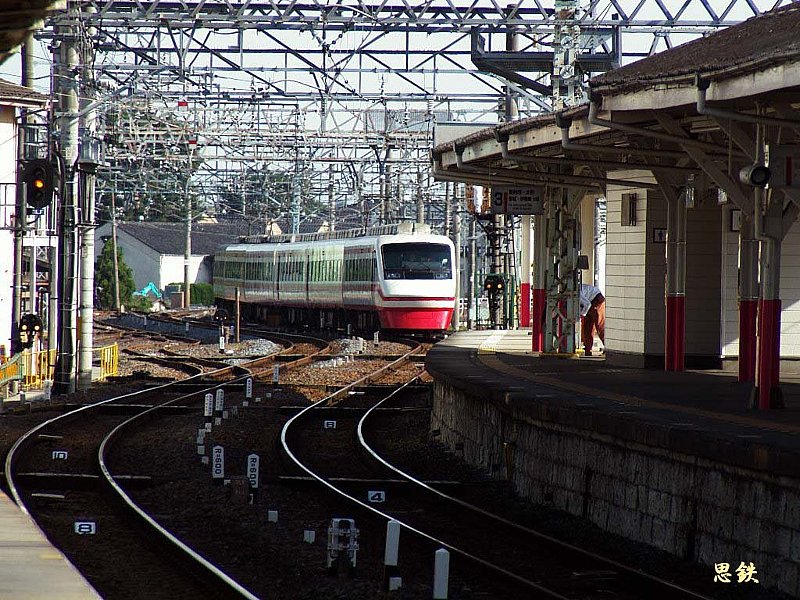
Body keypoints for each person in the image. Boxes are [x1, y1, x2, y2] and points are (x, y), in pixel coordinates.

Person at [579, 283, 605, 356]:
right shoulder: (573, 292)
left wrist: (582, 315)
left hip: (597, 300)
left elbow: (587, 304)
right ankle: (587, 350)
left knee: (600, 326)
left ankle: (607, 348)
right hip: (590, 299)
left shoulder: (576, 294)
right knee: (587, 328)